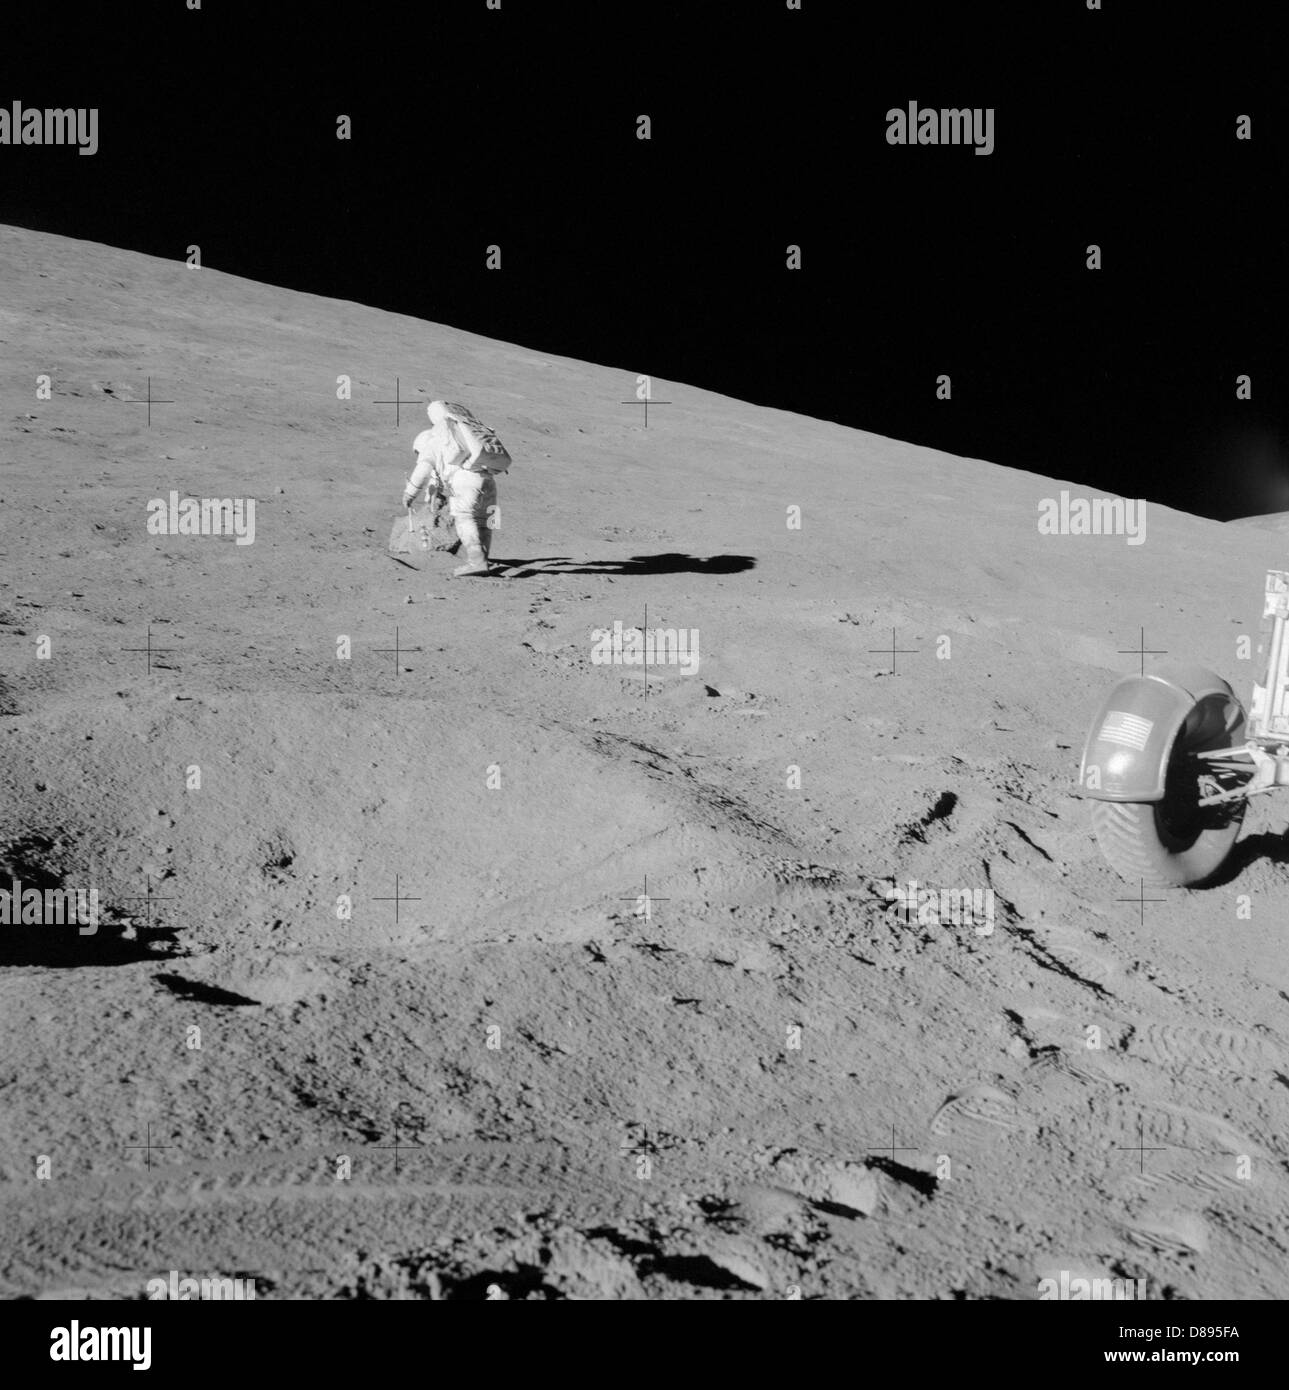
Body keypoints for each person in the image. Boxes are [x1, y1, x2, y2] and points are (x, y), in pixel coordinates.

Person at [403, 400, 511, 577]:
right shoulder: (458, 433)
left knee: (465, 518)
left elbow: (423, 470)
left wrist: (410, 493)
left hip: (465, 481)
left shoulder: (434, 441)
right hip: (488, 480)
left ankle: (476, 562)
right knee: (484, 521)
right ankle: (482, 560)